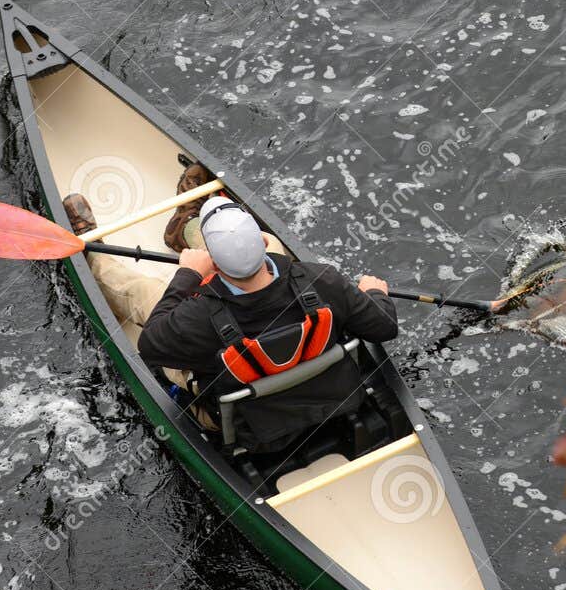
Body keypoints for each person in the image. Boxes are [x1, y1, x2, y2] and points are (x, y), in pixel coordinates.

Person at [62, 189, 398, 455]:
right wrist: (374, 294)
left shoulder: (196, 320)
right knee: (276, 250)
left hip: (245, 428)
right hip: (333, 403)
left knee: (145, 291)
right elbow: (384, 326)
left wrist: (188, 275)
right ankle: (188, 225)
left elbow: (151, 346)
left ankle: (95, 255)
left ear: (215, 269)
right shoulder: (322, 280)